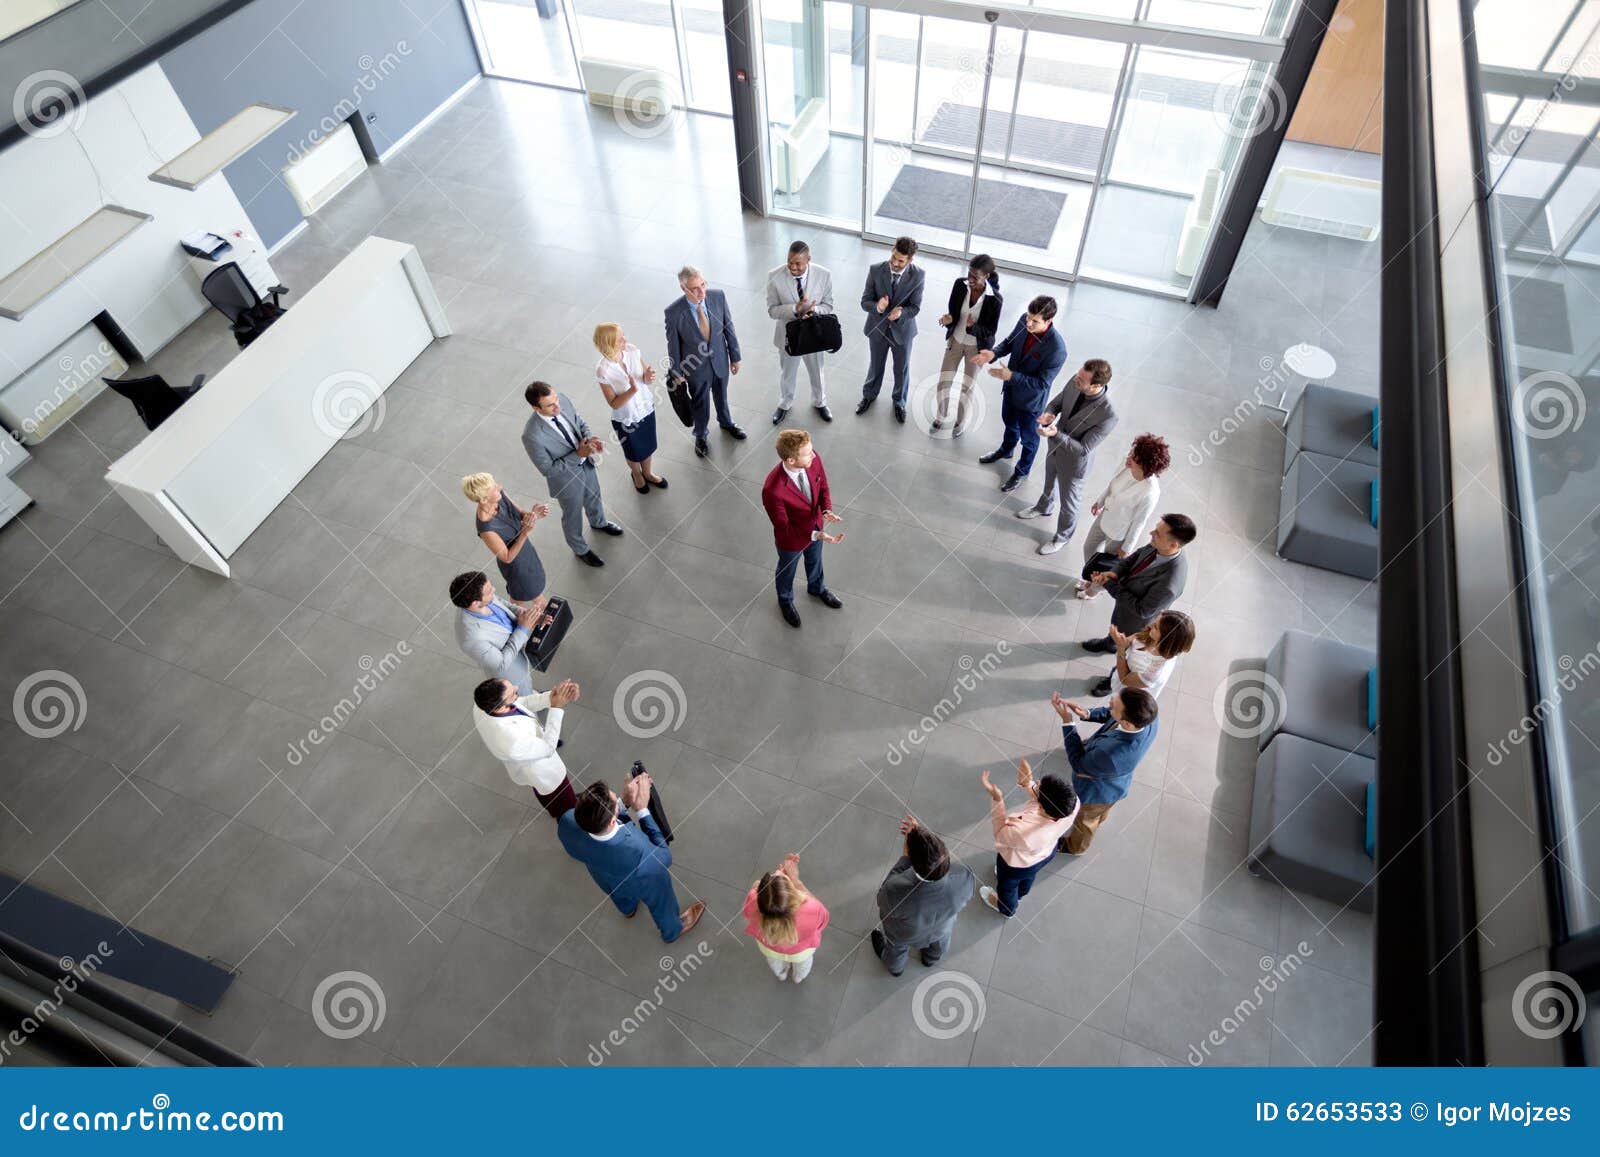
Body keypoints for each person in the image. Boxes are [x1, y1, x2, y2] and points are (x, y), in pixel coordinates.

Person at [557, 778, 706, 942]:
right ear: (613, 820)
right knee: (662, 901)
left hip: (602, 872)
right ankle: (673, 930)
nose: (617, 800)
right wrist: (642, 809)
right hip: (644, 879)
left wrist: (625, 801)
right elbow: (665, 857)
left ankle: (627, 908)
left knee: (615, 887)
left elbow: (573, 850)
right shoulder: (640, 852)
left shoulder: (567, 820)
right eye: (616, 802)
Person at [1016, 359, 1117, 552]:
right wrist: (1049, 414)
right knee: (1049, 480)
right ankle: (1044, 507)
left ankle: (1062, 537)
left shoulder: (1108, 415)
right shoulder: (1076, 380)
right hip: (1054, 447)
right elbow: (1057, 402)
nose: (1076, 380)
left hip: (1074, 463)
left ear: (1097, 385)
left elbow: (1084, 449)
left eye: (1082, 380)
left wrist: (1055, 434)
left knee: (1069, 503)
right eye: (1078, 375)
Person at [521, 381, 623, 567]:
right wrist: (578, 455)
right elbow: (548, 470)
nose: (558, 406)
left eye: (556, 400)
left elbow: (580, 422)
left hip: (586, 464)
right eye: (550, 405)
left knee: (594, 496)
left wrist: (589, 439)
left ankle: (598, 522)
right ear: (536, 407)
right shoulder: (531, 435)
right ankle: (580, 549)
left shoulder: (562, 401)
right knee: (573, 515)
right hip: (566, 481)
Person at [977, 295, 1069, 493]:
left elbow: (1042, 383)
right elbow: (1009, 343)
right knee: (1009, 422)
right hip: (1010, 390)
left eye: (1035, 321)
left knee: (1029, 439)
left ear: (1049, 321)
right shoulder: (1023, 321)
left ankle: (1022, 471)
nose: (1028, 323)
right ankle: (1006, 450)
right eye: (1028, 317)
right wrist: (993, 353)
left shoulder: (1057, 349)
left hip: (1031, 402)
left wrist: (1011, 376)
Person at [1052, 687, 1159, 855]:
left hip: (1097, 793)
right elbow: (1113, 715)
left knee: (1086, 820)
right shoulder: (1149, 716)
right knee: (1099, 813)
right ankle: (1100, 817)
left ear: (1127, 723)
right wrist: (1087, 713)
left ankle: (1075, 847)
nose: (1110, 702)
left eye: (1114, 705)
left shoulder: (1110, 755)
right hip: (1114, 782)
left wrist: (1068, 722)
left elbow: (1078, 764)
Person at [871, 813, 976, 977]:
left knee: (896, 949)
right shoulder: (965, 875)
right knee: (939, 943)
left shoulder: (895, 890)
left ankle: (896, 969)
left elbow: (881, 901)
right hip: (942, 928)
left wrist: (905, 858)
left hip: (904, 934)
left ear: (913, 861)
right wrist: (921, 838)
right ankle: (930, 959)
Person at [1080, 514, 1196, 660]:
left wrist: (1108, 583)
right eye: (1155, 529)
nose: (1151, 533)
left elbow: (1142, 610)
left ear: (1174, 545)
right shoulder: (1160, 545)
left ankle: (1114, 678)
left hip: (1135, 621)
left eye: (1157, 533)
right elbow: (1132, 558)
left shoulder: (1170, 584)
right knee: (1116, 628)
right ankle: (1110, 644)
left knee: (1128, 652)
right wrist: (1114, 573)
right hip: (1124, 603)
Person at [760, 428, 844, 628]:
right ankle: (785, 600)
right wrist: (816, 534)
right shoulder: (773, 489)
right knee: (787, 569)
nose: (814, 455)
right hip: (791, 540)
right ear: (790, 460)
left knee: (815, 561)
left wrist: (826, 510)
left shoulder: (812, 459)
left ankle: (816, 588)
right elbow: (784, 527)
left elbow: (823, 486)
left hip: (816, 527)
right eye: (808, 453)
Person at [977, 757, 1079, 918]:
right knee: (1028, 876)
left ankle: (1007, 908)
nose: (1036, 782)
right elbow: (1045, 800)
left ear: (1043, 808)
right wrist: (1028, 783)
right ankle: (1021, 892)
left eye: (1038, 786)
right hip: (1045, 854)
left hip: (1014, 865)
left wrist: (997, 799)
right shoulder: (1072, 804)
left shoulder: (1023, 833)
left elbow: (1000, 834)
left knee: (1007, 887)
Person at [664, 264, 746, 457]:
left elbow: (728, 327)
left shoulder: (718, 296)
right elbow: (673, 347)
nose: (702, 291)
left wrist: (735, 357)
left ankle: (726, 423)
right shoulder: (674, 313)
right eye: (695, 288)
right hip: (695, 369)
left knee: (721, 395)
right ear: (684, 289)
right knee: (700, 403)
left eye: (703, 284)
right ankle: (700, 435)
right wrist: (677, 374)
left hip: (720, 361)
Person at [1073, 435, 1170, 595]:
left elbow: (1139, 522)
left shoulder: (1150, 492)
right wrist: (1100, 501)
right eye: (1132, 452)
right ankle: (1091, 577)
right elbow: (1113, 484)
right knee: (1089, 547)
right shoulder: (1127, 465)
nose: (1128, 457)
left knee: (1107, 565)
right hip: (1105, 516)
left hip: (1119, 533)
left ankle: (1094, 590)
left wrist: (1127, 548)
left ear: (1146, 466)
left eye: (1134, 457)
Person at [472, 676, 581, 818]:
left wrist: (551, 697)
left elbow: (522, 703)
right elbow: (548, 748)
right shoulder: (511, 740)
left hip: (529, 760)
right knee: (560, 795)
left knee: (543, 791)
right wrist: (557, 708)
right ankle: (570, 815)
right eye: (513, 693)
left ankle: (555, 808)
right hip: (540, 768)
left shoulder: (481, 704)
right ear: (500, 707)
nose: (517, 688)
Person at [766, 240, 835, 425]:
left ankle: (820, 402)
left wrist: (813, 312)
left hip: (813, 333)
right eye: (789, 261)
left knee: (817, 371)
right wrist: (794, 309)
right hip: (789, 335)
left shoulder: (824, 275)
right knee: (787, 372)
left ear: (808, 260)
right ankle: (785, 403)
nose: (792, 267)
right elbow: (772, 310)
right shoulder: (774, 276)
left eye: (798, 263)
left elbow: (828, 306)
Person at [592, 323, 667, 495]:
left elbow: (645, 375)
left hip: (645, 409)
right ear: (609, 343)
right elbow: (614, 403)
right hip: (626, 416)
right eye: (620, 339)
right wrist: (632, 390)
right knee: (633, 451)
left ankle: (647, 472)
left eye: (623, 335)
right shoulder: (603, 370)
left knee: (647, 446)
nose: (625, 340)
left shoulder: (632, 350)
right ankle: (636, 473)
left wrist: (649, 376)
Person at [932, 254, 1002, 437]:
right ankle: (940, 417)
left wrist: (974, 328)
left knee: (967, 386)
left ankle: (960, 422)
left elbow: (990, 332)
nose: (970, 279)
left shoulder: (995, 300)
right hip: (956, 340)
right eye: (969, 273)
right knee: (944, 381)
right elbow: (953, 313)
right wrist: (949, 319)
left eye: (975, 276)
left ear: (986, 276)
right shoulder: (959, 284)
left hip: (975, 348)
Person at [857, 236, 924, 422]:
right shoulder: (876, 270)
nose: (894, 263)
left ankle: (899, 402)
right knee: (875, 365)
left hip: (902, 331)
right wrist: (878, 307)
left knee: (901, 369)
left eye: (900, 261)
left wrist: (901, 313)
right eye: (893, 257)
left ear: (910, 260)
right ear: (892, 249)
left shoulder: (918, 275)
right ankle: (869, 395)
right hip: (877, 328)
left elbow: (915, 307)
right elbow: (865, 301)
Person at [450, 570, 549, 695]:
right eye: (490, 590)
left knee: (529, 686)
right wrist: (523, 628)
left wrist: (530, 616)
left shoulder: (483, 598)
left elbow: (505, 605)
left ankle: (534, 695)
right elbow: (501, 664)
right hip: (511, 669)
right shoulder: (471, 638)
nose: (494, 590)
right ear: (476, 603)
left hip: (518, 649)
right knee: (523, 694)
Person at [462, 472, 548, 607]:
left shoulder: (499, 496)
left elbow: (519, 514)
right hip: (516, 565)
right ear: (483, 500)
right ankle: (536, 618)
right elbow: (507, 557)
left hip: (526, 551)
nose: (499, 486)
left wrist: (533, 515)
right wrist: (525, 533)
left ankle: (520, 616)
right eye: (494, 488)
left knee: (524, 596)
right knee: (531, 597)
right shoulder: (486, 528)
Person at [742, 853, 830, 983]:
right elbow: (824, 920)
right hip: (801, 952)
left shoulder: (752, 899)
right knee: (803, 965)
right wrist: (795, 880)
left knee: (774, 962)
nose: (778, 871)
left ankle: (781, 974)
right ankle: (798, 977)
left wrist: (768, 885)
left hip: (769, 948)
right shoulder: (812, 909)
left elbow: (756, 894)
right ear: (793, 893)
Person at [1093, 609, 1196, 700]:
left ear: (1167, 639)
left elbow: (1125, 679)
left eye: (1156, 627)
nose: (1150, 625)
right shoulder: (1149, 635)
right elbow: (1131, 640)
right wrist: (1122, 641)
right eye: (1155, 621)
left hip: (1132, 697)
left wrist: (1121, 649)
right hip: (1125, 667)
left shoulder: (1155, 672)